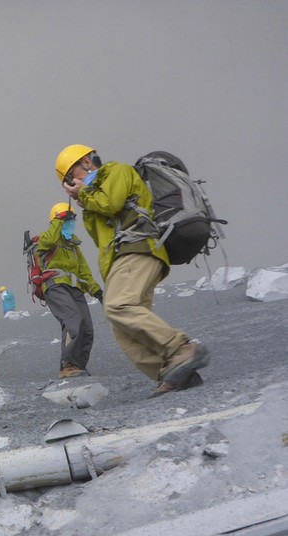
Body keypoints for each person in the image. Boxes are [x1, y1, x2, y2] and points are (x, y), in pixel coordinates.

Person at [57, 144, 210, 396]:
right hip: (124, 260)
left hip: (138, 250)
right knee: (123, 330)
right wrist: (86, 197)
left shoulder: (117, 171)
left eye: (70, 173)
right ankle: (175, 373)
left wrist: (85, 194)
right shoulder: (91, 197)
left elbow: (111, 203)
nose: (70, 182)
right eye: (65, 179)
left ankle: (181, 348)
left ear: (87, 161)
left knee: (120, 306)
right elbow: (104, 236)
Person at [38, 203, 104, 378]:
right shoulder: (46, 239)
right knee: (72, 320)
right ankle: (67, 365)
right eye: (67, 219)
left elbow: (84, 272)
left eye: (72, 219)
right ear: (57, 220)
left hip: (75, 288)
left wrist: (97, 291)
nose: (71, 222)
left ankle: (78, 365)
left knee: (87, 328)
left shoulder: (73, 245)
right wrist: (58, 220)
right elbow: (50, 240)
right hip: (55, 286)